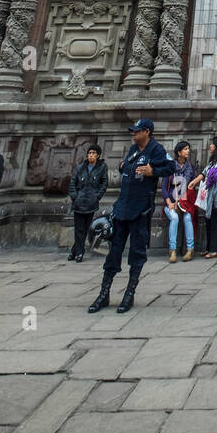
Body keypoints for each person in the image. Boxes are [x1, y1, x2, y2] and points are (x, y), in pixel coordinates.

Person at [88, 119, 173, 314]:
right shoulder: (133, 150)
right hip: (122, 209)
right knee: (113, 252)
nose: (133, 135)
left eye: (136, 132)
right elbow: (126, 168)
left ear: (147, 132)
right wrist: (121, 166)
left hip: (140, 210)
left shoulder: (156, 150)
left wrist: (154, 171)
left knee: (136, 252)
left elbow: (171, 167)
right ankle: (104, 293)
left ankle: (129, 293)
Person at [189, 135, 217, 259]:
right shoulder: (213, 160)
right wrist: (194, 182)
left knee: (216, 221)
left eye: (212, 144)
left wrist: (215, 173)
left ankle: (215, 249)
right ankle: (209, 247)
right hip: (209, 195)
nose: (210, 146)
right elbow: (204, 173)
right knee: (208, 220)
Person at [68, 145, 108, 262]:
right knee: (78, 228)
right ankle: (79, 253)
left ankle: (74, 250)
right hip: (79, 202)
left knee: (85, 228)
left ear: (98, 155)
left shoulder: (101, 168)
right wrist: (75, 196)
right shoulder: (81, 167)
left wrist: (97, 196)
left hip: (91, 202)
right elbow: (73, 182)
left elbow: (104, 183)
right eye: (89, 153)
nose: (90, 155)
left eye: (93, 153)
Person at [161, 141, 196, 263]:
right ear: (179, 152)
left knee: (187, 218)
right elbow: (164, 189)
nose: (188, 151)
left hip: (184, 202)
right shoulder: (170, 167)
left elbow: (191, 187)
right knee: (174, 218)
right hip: (170, 201)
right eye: (185, 149)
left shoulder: (190, 168)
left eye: (188, 148)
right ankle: (173, 250)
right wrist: (169, 203)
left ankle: (190, 249)